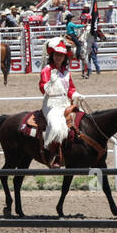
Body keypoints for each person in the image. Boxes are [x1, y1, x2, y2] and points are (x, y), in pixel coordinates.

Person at [39, 38, 82, 168]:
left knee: (82, 121)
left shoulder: (66, 73)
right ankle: (54, 156)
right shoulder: (46, 70)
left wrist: (76, 95)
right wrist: (50, 82)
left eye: (61, 55)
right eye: (57, 54)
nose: (59, 57)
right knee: (57, 127)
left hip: (65, 103)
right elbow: (43, 89)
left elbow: (70, 89)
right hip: (51, 104)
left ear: (65, 57)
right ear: (52, 55)